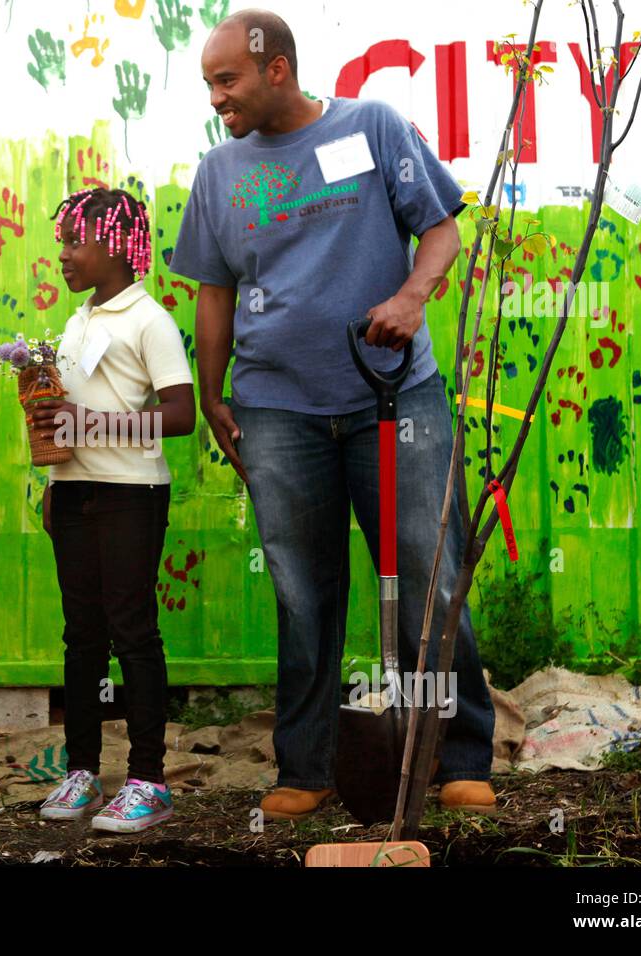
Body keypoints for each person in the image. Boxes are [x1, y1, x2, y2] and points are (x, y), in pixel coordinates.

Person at [168, 9, 497, 821]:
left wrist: (412, 297)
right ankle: (307, 768)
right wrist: (213, 396)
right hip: (278, 408)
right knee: (302, 590)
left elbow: (442, 230)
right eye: (210, 84)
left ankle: (458, 755)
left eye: (227, 81)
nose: (218, 98)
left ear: (276, 69)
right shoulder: (219, 172)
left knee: (430, 573)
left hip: (397, 397)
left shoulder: (374, 126)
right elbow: (214, 293)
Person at [29, 188, 195, 833]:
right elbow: (69, 414)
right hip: (75, 493)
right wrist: (55, 479)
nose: (63, 254)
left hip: (131, 495)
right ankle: (81, 772)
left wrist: (91, 424)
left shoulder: (148, 319)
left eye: (74, 242)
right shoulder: (78, 321)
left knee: (134, 633)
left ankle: (149, 781)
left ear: (114, 247)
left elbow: (179, 414)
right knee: (81, 637)